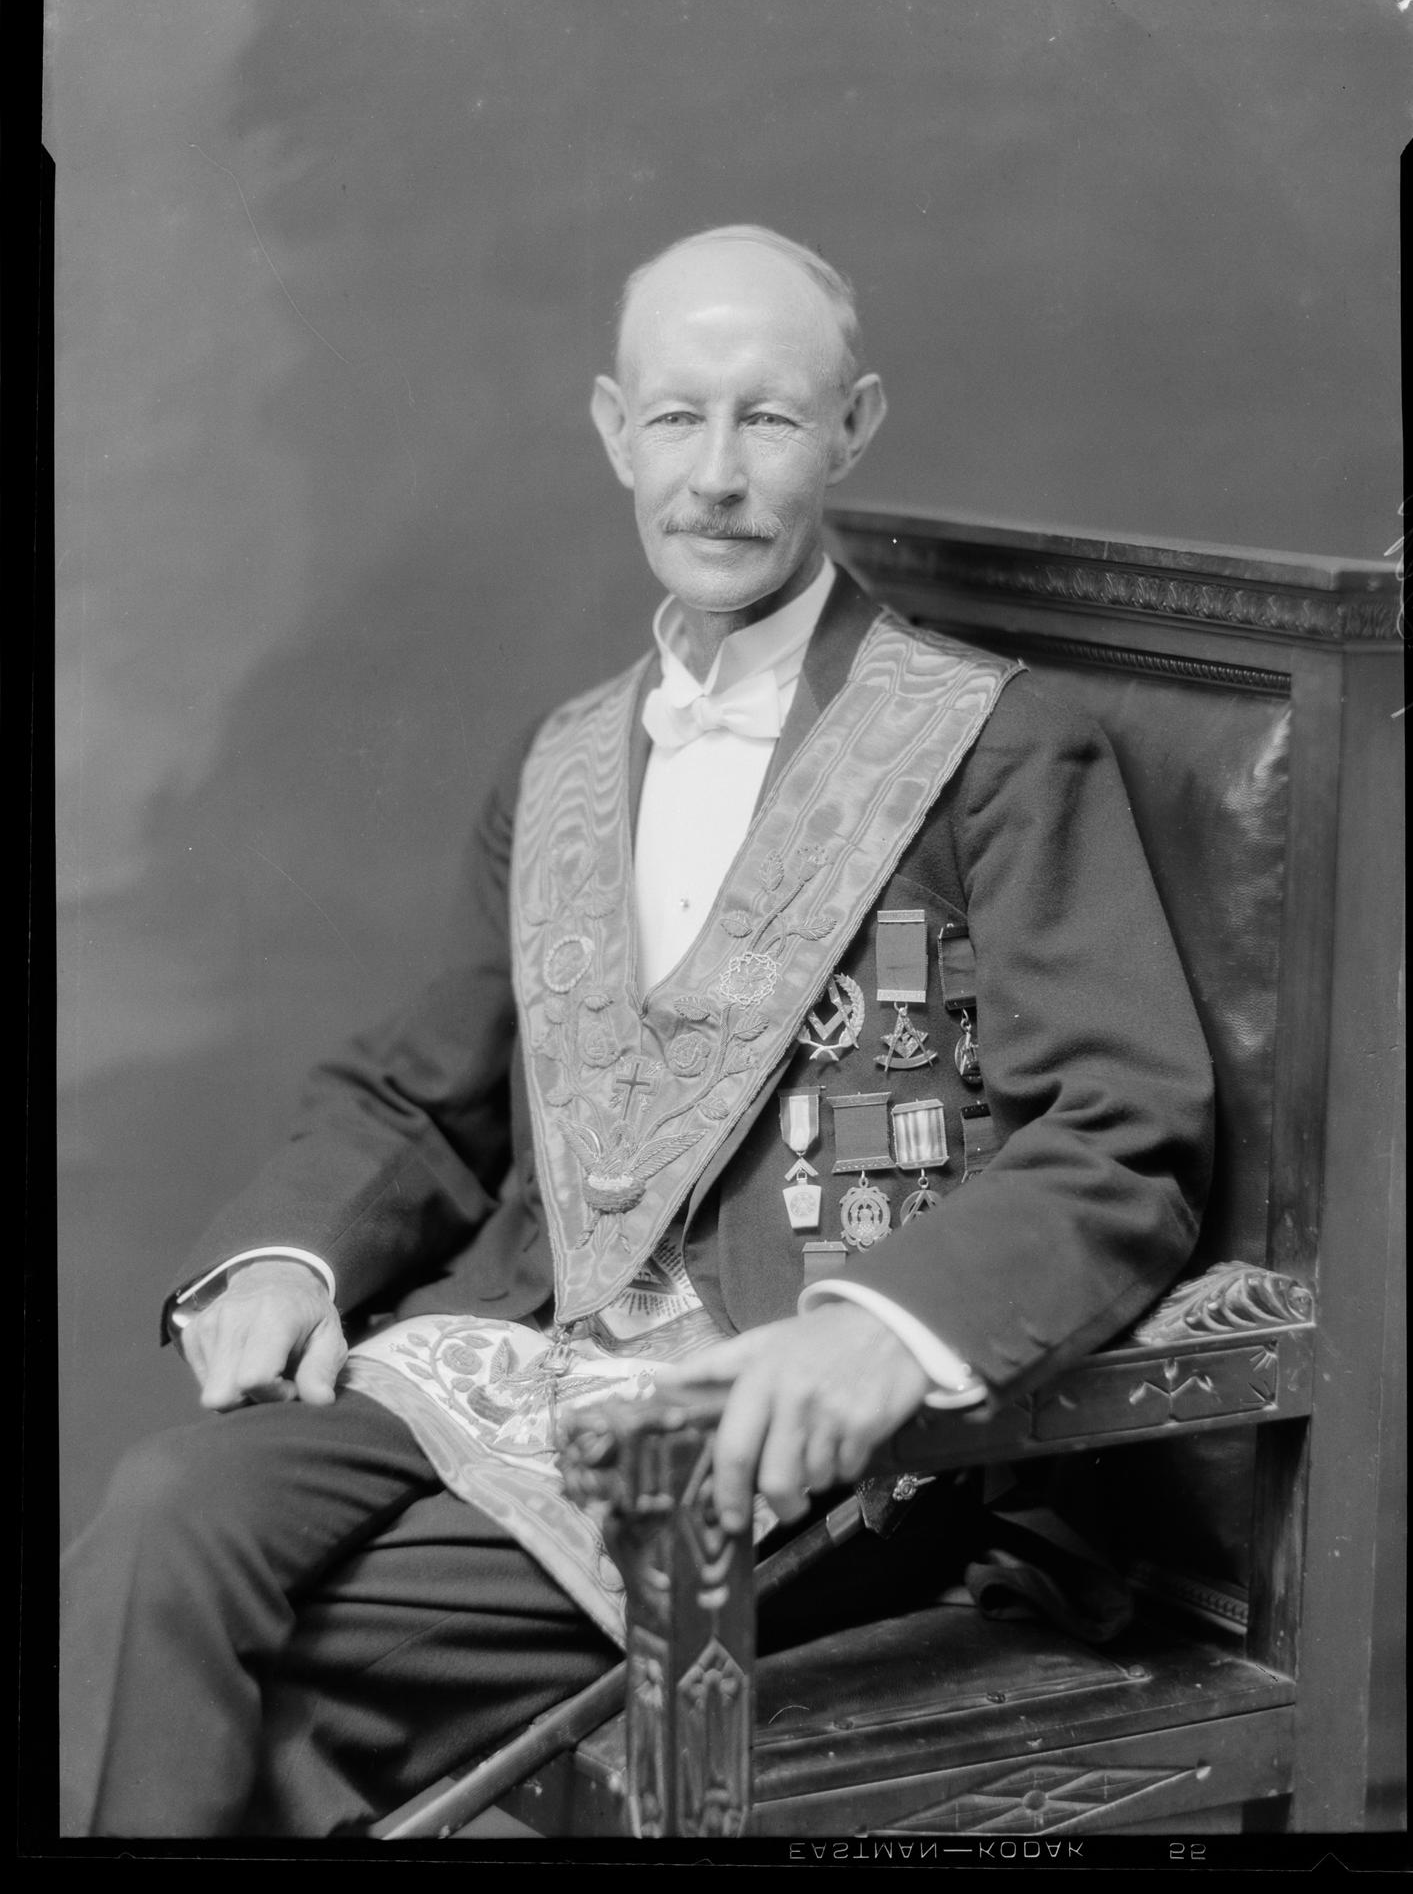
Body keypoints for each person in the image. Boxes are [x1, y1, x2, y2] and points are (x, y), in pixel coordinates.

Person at [60, 224, 1214, 1837]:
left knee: (231, 1670)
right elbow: (422, 1089)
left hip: (805, 1435)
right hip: (514, 1359)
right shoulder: (565, 761)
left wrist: (876, 1332)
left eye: (770, 418)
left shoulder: (998, 746)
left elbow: (1123, 1130)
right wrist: (282, 1256)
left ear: (852, 427)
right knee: (161, 1513)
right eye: (679, 419)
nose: (720, 474)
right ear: (615, 430)